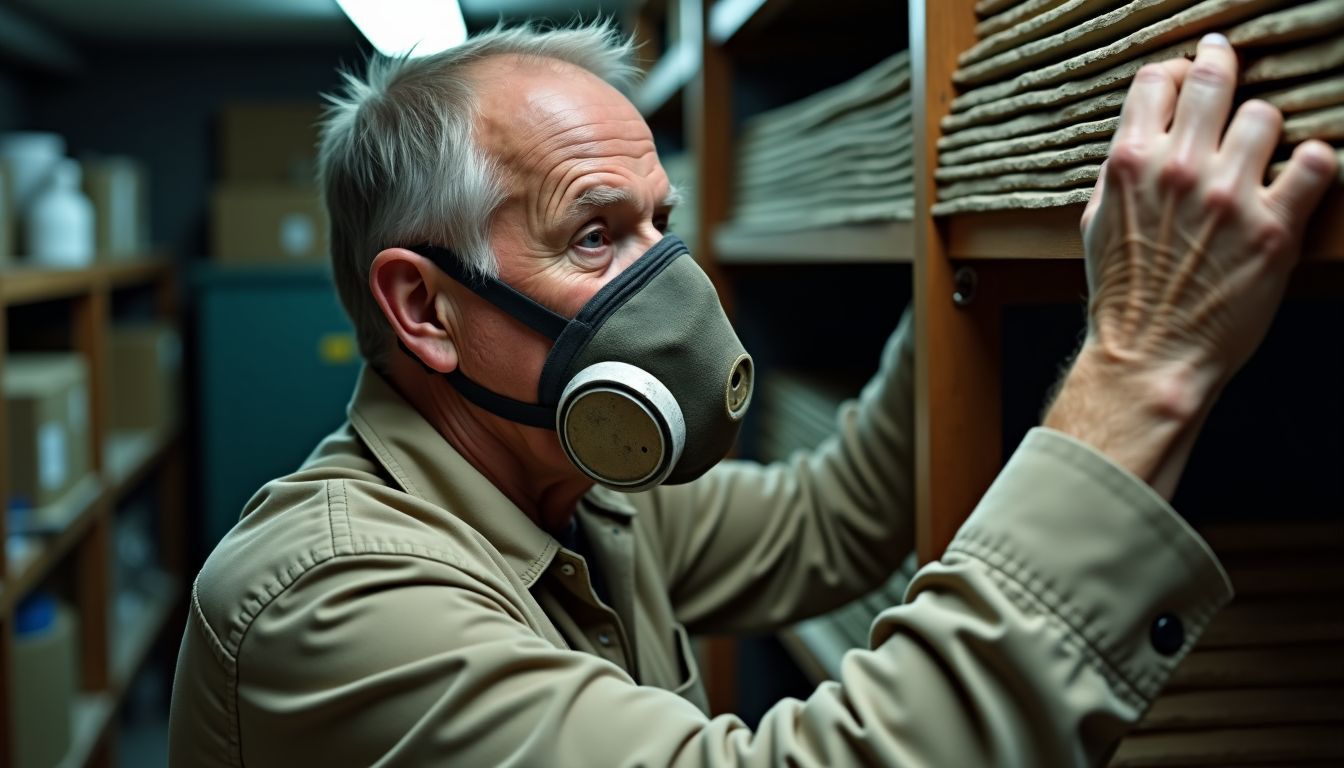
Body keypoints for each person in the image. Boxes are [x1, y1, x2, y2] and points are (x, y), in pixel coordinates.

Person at [168, 23, 1338, 767]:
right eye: (594, 234)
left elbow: (838, 520)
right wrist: (1138, 359)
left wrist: (1041, 246)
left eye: (660, 226)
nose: (671, 287)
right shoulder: (330, 604)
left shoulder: (575, 490)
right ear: (425, 309)